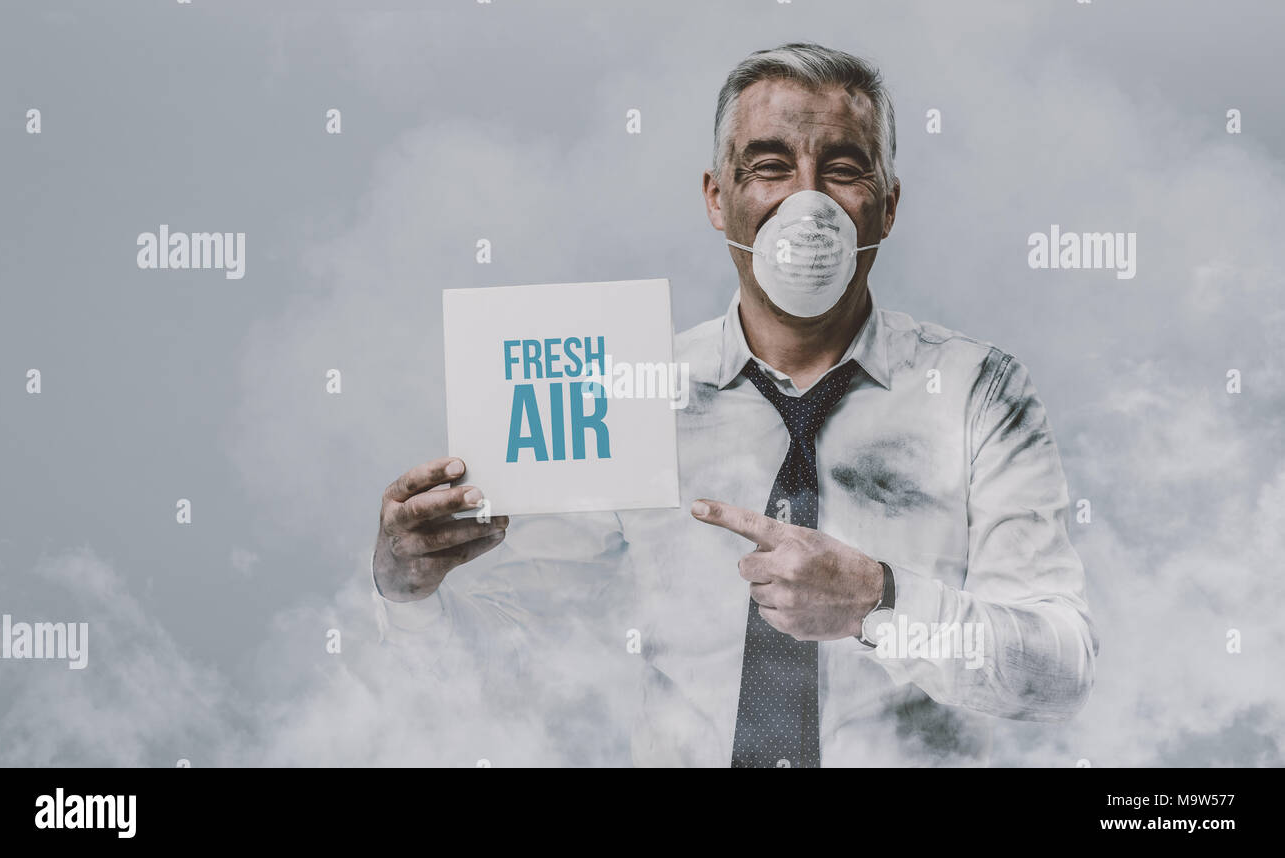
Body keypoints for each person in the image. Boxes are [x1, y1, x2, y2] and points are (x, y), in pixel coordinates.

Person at [371, 42, 1097, 767]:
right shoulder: (628, 393)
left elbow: (1061, 672)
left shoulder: (979, 392)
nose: (806, 203)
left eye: (842, 170)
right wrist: (409, 594)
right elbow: (511, 662)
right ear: (718, 198)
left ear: (887, 206)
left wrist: (881, 604)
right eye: (771, 166)